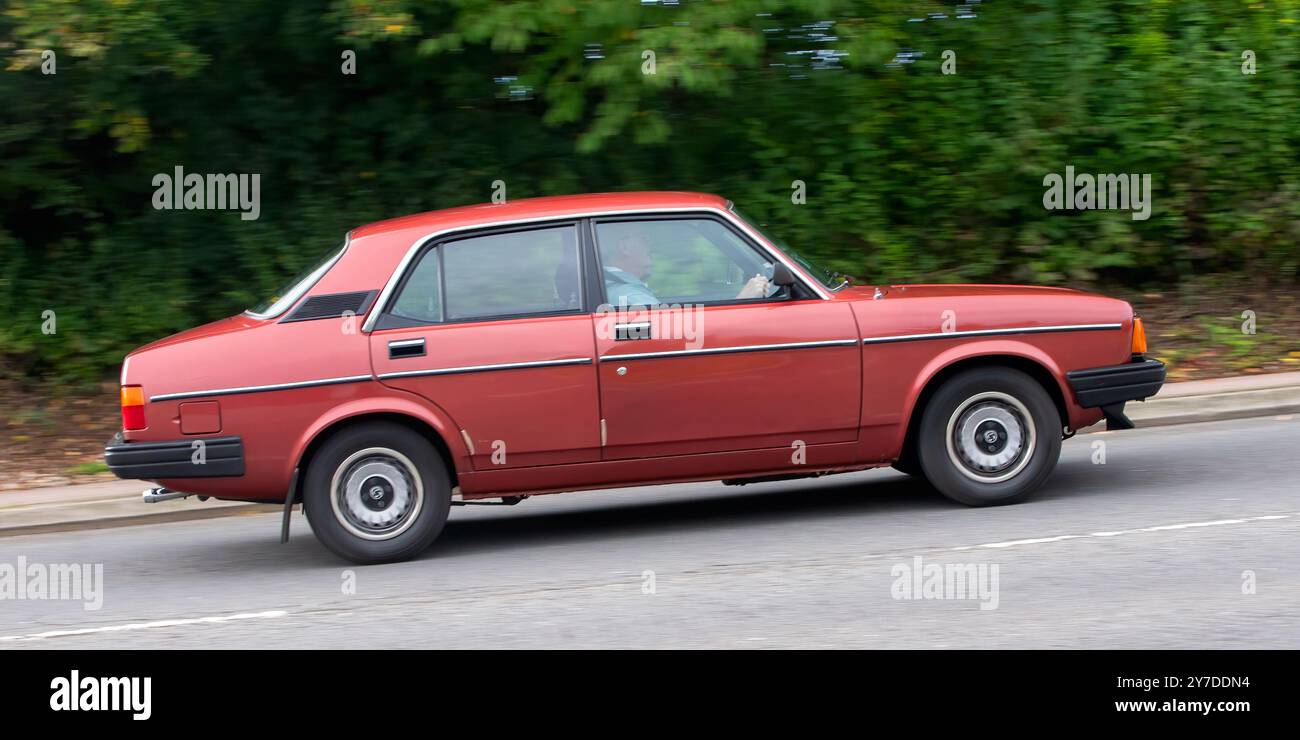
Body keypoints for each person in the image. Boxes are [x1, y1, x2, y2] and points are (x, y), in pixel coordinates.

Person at [602, 231, 770, 306]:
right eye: (644, 238)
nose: (650, 245)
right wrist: (742, 300)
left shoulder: (617, 288)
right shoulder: (629, 295)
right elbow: (678, 336)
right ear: (625, 247)